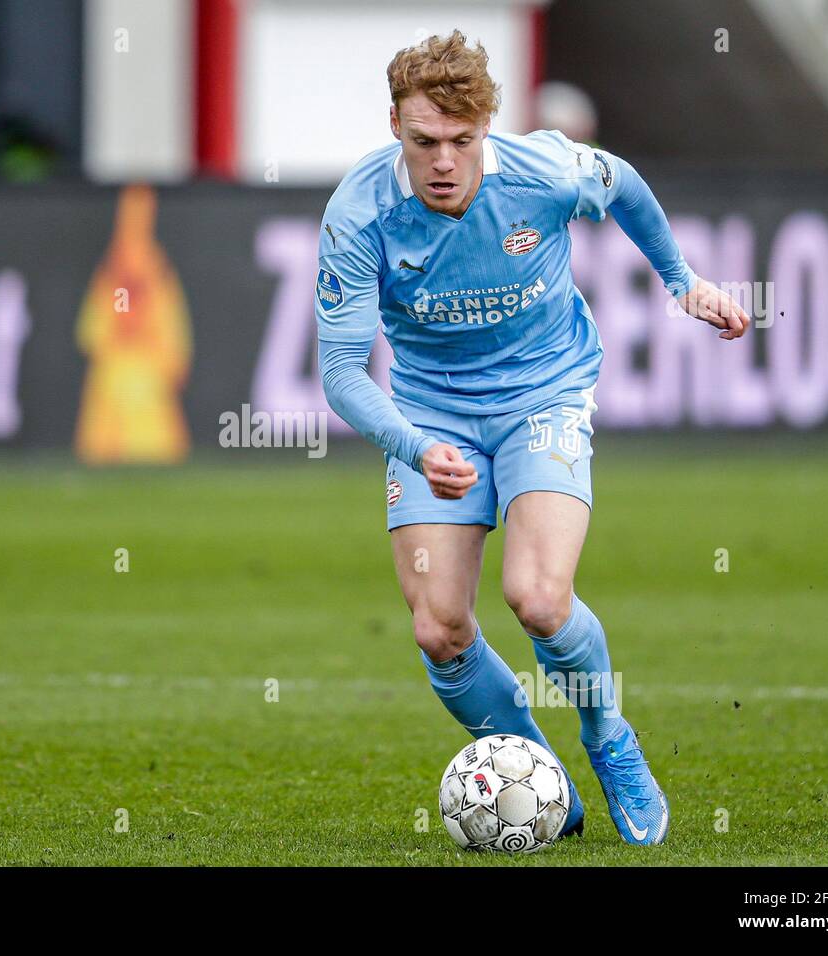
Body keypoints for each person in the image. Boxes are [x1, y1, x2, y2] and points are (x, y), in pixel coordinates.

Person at [314, 30, 749, 845]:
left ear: (487, 128)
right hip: (432, 415)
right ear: (396, 130)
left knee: (540, 599)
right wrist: (414, 446)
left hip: (543, 393)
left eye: (461, 141)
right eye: (422, 142)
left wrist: (682, 281)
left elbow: (623, 185)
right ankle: (539, 773)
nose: (442, 161)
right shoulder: (359, 211)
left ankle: (609, 738)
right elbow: (339, 371)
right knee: (438, 627)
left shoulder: (544, 170)